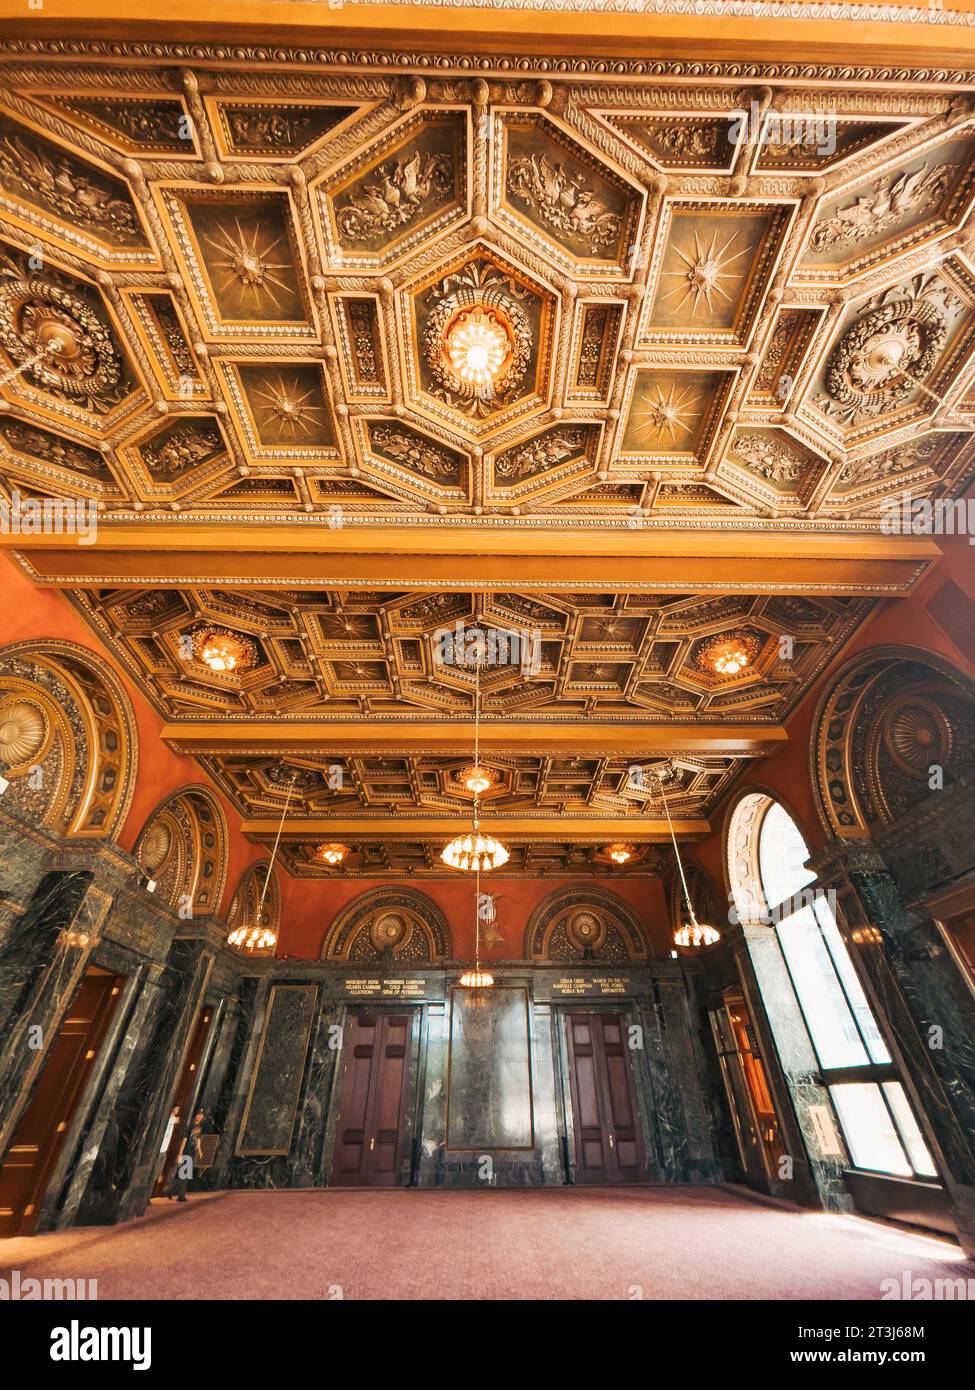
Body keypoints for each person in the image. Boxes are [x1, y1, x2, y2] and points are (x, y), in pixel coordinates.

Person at [168, 1109, 205, 1203]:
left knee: (185, 1175)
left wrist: (200, 1151)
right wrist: (180, 1153)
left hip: (193, 1152)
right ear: (195, 1116)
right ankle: (178, 1194)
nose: (200, 1117)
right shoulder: (190, 1126)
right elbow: (184, 1140)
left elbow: (198, 1140)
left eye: (201, 1116)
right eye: (198, 1115)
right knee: (184, 1174)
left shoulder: (199, 1127)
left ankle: (171, 1191)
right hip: (187, 1151)